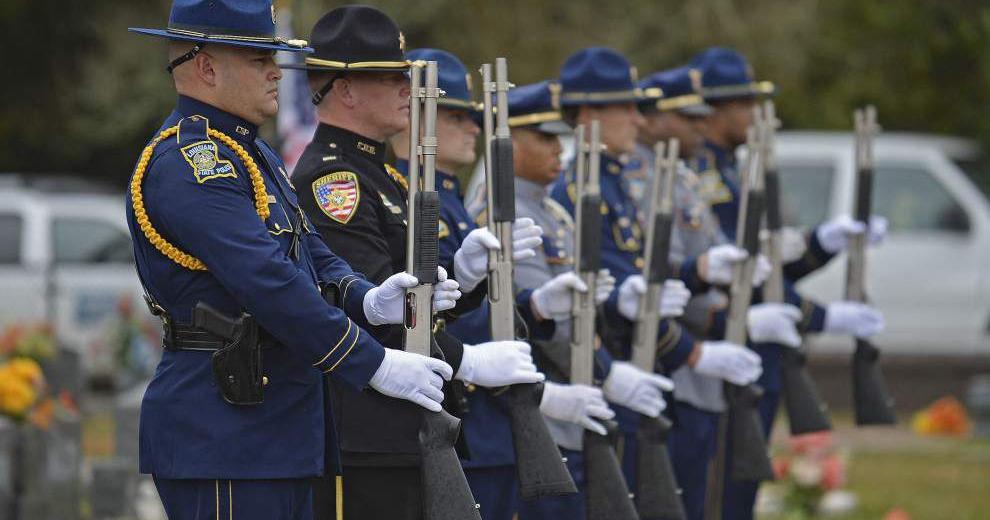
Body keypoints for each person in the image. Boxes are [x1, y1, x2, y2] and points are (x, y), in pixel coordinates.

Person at [126, 1, 455, 518]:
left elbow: (312, 253)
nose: (276, 72)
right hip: (224, 431)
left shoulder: (253, 154)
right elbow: (266, 279)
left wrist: (366, 299)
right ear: (207, 66)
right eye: (258, 59)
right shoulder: (193, 164)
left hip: (274, 428)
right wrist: (372, 362)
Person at [289, 8, 543, 519]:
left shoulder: (387, 176)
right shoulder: (334, 182)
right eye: (389, 78)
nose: (408, 88)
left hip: (408, 420)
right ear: (345, 89)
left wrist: (466, 279)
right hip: (365, 430)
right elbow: (374, 306)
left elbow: (419, 299)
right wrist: (465, 360)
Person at [547, 47, 765, 505]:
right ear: (587, 113)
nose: (638, 119)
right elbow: (598, 293)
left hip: (639, 373)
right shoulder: (575, 191)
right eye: (625, 107)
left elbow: (640, 274)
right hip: (609, 373)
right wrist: (691, 352)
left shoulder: (614, 186)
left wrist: (698, 273)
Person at [689, 47, 887, 519]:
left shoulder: (735, 170)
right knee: (720, 493)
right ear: (716, 110)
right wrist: (820, 316)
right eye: (744, 104)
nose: (754, 115)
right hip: (728, 342)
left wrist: (825, 241)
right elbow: (746, 277)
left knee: (741, 489)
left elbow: (770, 269)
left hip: (758, 347)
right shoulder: (703, 179)